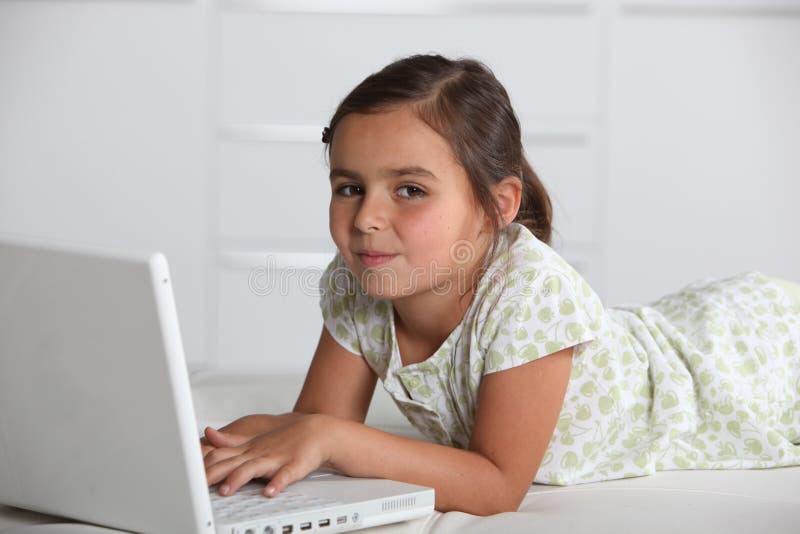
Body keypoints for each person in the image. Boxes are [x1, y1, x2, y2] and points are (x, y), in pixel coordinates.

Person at [201, 54, 800, 516]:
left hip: (735, 361)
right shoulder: (357, 281)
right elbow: (317, 422)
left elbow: (496, 484)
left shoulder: (529, 294)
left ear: (498, 205)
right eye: (349, 187)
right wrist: (228, 442)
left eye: (410, 190)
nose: (367, 219)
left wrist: (329, 437)